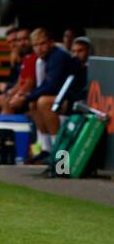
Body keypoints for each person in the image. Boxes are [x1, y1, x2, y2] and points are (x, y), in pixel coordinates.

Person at [26, 27, 85, 164]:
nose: (39, 48)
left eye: (42, 44)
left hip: (77, 99)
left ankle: (59, 152)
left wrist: (26, 97)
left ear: (51, 42)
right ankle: (46, 148)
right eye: (35, 45)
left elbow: (52, 86)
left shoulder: (58, 56)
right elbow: (44, 85)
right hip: (61, 97)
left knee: (44, 102)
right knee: (33, 103)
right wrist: (28, 97)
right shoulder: (41, 60)